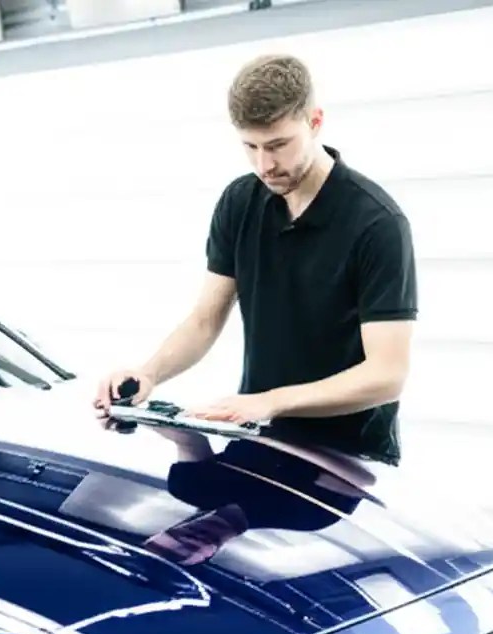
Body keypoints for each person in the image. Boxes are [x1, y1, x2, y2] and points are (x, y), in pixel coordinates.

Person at [92, 53, 418, 466]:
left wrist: (270, 402)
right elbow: (204, 321)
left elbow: (386, 375)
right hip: (262, 437)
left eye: (279, 145)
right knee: (181, 493)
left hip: (350, 458)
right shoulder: (239, 202)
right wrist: (149, 374)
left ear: (315, 122)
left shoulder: (377, 224)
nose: (265, 165)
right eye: (251, 147)